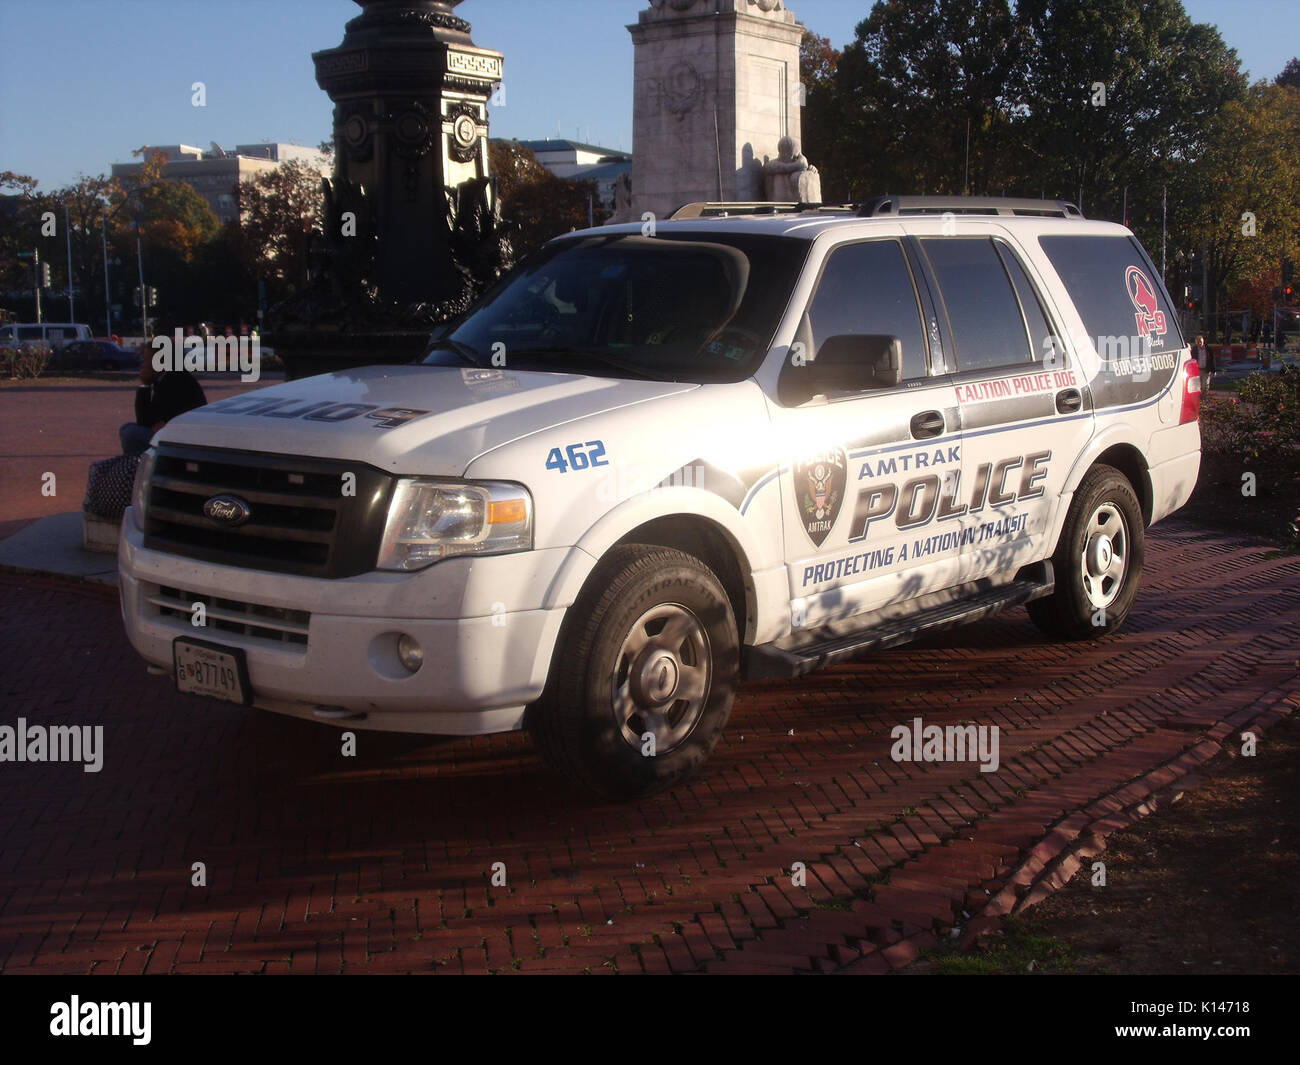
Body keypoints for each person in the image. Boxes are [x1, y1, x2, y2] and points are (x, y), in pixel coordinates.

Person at [119, 351, 207, 455]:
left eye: (147, 360)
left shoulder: (174, 379)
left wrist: (165, 425)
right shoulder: (165, 378)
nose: (143, 364)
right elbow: (147, 420)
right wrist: (146, 384)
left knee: (130, 433)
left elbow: (146, 420)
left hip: (185, 435)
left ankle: (141, 465)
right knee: (127, 428)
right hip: (175, 430)